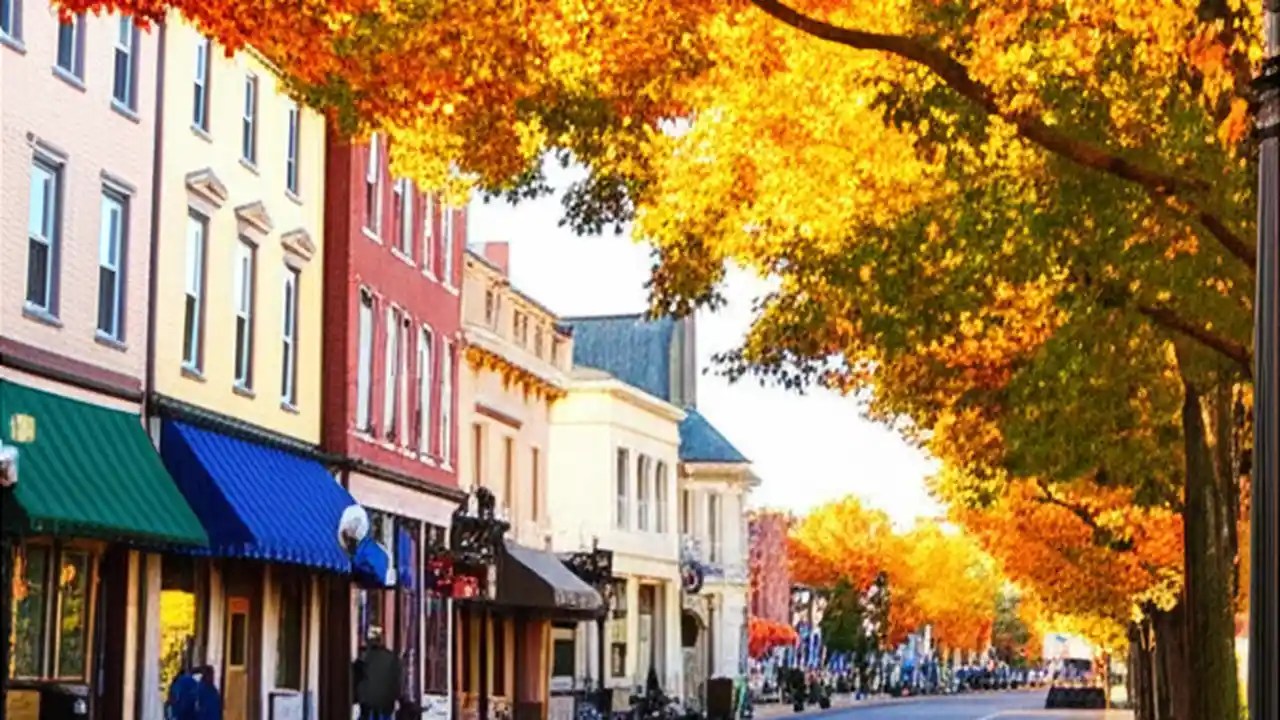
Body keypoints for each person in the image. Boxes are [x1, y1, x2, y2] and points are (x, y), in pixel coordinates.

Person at [354, 626, 401, 720]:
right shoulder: (391, 658)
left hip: (367, 700)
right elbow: (397, 679)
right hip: (386, 700)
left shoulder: (364, 658)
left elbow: (356, 677)